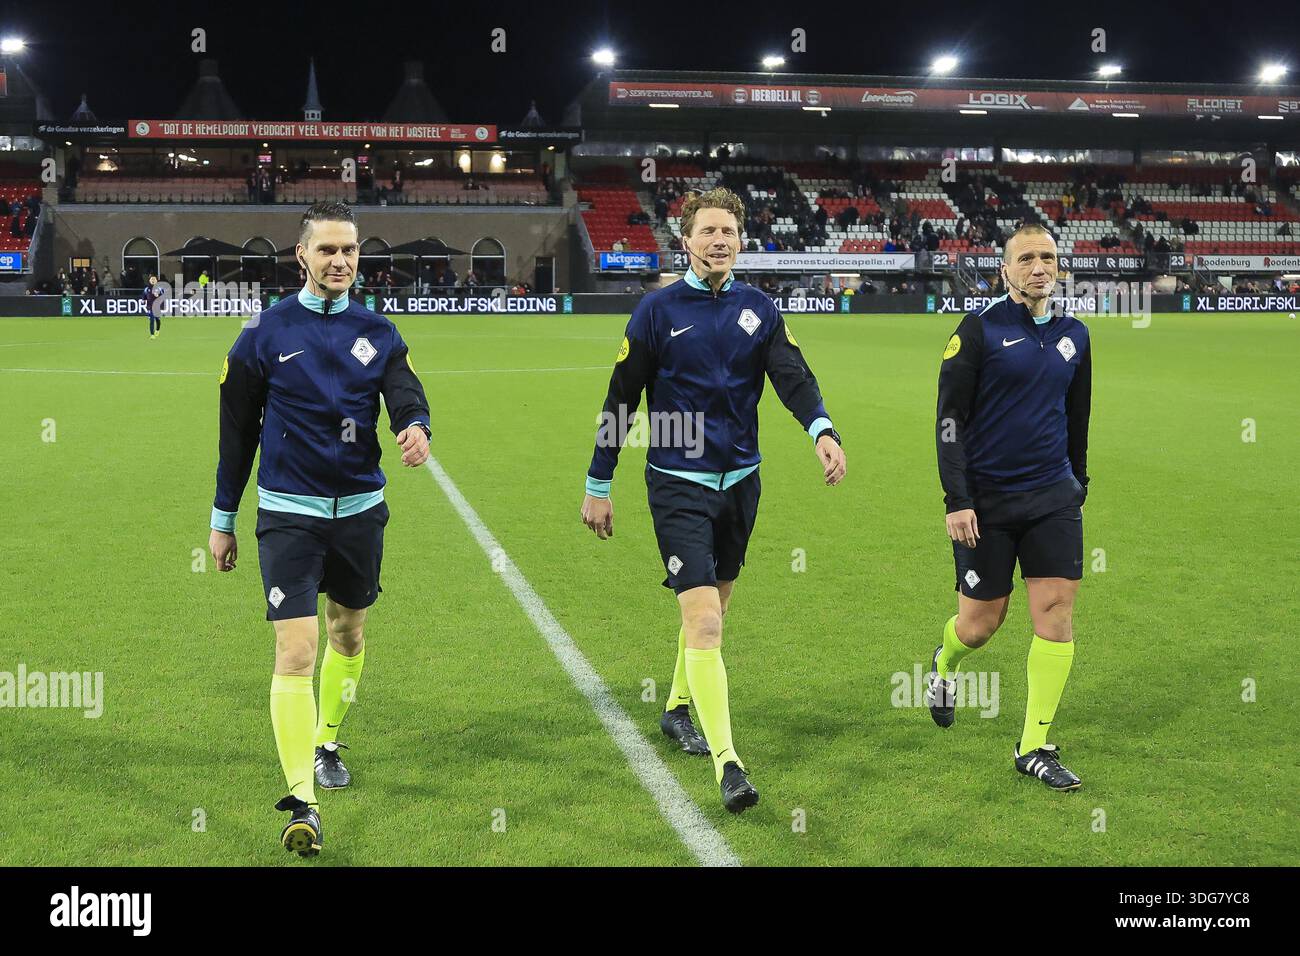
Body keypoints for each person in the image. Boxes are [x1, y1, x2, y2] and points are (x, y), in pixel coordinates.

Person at [579, 188, 846, 813]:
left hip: (742, 480)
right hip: (677, 481)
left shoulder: (760, 308)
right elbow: (622, 399)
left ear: (741, 239)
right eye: (707, 232)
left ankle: (675, 709)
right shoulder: (657, 310)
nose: (718, 241)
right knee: (702, 620)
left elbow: (792, 377)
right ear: (686, 240)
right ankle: (730, 764)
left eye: (728, 231)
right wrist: (598, 481)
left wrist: (822, 430)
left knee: (712, 617)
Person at [207, 202, 432, 857]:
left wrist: (415, 426)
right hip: (288, 516)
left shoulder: (379, 330)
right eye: (327, 250)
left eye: (350, 250)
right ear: (300, 256)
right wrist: (223, 519)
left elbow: (403, 390)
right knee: (296, 653)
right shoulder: (264, 332)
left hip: (361, 511)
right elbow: (236, 434)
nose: (340, 261)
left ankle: (327, 736)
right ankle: (301, 802)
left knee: (348, 632)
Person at [927, 223, 1092, 791]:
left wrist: (1079, 481)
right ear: (1005, 270)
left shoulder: (1076, 335)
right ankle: (943, 663)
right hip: (987, 504)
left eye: (1048, 257)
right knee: (979, 626)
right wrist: (958, 499)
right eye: (1026, 258)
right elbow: (949, 421)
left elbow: (1077, 418)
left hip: (1053, 497)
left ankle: (1034, 745)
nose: (1039, 267)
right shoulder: (977, 331)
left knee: (1056, 617)